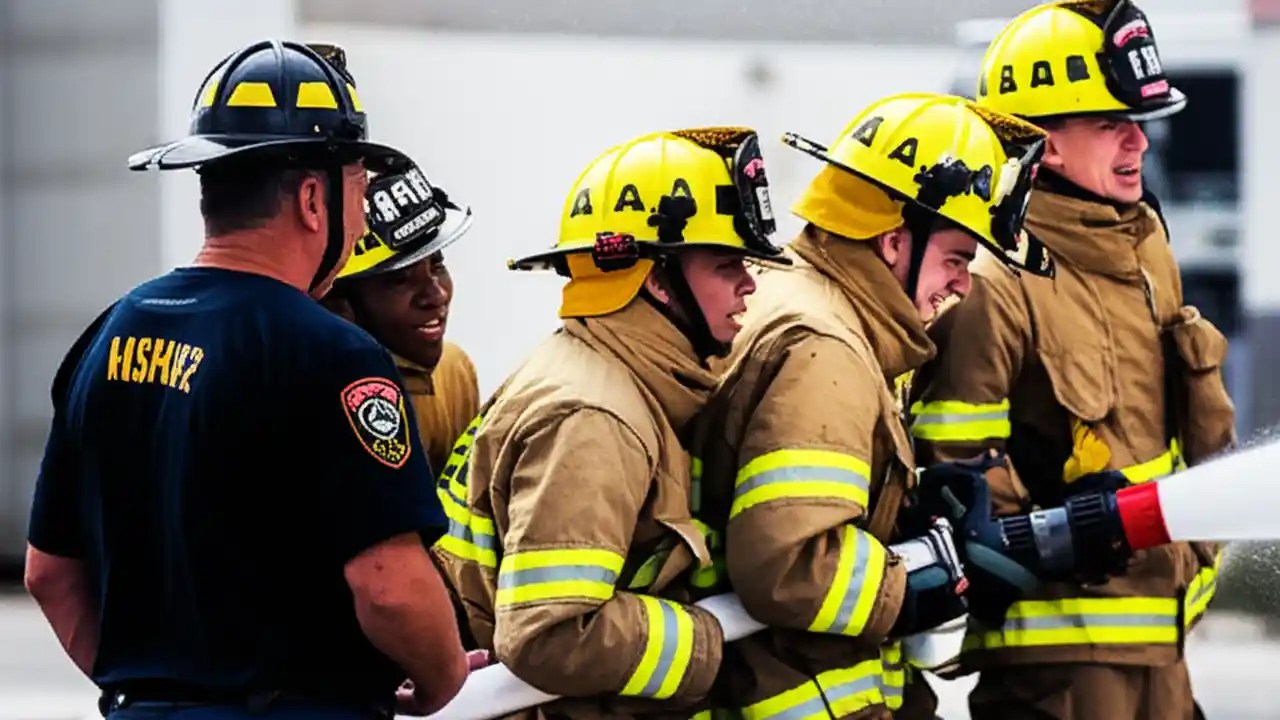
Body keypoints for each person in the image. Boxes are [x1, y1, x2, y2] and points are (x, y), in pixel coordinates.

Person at [22, 40, 470, 719]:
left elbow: (49, 574)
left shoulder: (108, 332)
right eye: (360, 188)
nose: (359, 217)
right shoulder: (333, 355)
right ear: (315, 200)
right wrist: (441, 683)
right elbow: (389, 588)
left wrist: (153, 696)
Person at [909, 2, 1236, 718]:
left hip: (1165, 651)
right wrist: (1062, 534)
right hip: (1057, 670)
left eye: (1141, 123)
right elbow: (957, 479)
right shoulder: (991, 282)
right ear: (1044, 143)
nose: (1139, 146)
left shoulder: (1145, 244)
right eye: (1111, 125)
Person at [692, 92, 1055, 719]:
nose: (963, 285)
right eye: (955, 259)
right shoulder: (827, 350)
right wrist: (921, 577)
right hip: (801, 695)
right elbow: (785, 565)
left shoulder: (810, 301)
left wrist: (899, 520)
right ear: (893, 242)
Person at [431, 127, 789, 717]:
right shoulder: (594, 417)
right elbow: (551, 633)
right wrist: (706, 639)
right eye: (727, 265)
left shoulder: (610, 374)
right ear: (655, 278)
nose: (750, 284)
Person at [323, 161, 481, 475]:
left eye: (437, 265)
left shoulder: (454, 369)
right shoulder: (319, 400)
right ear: (340, 303)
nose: (435, 296)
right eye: (400, 280)